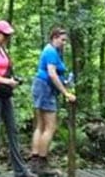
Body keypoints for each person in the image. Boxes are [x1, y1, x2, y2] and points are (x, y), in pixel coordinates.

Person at [0, 20, 34, 177]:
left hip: (5, 93)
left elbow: (6, 71)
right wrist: (6, 81)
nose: (7, 37)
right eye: (5, 34)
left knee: (13, 130)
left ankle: (20, 169)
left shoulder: (4, 49)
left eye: (8, 35)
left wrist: (14, 80)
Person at [30, 26, 76, 177]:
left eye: (66, 41)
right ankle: (41, 162)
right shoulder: (50, 51)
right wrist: (65, 93)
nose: (64, 43)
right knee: (50, 126)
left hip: (42, 87)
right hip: (45, 88)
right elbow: (51, 74)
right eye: (62, 40)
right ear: (54, 37)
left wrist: (66, 82)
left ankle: (35, 161)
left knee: (41, 125)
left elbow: (57, 73)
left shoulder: (55, 52)